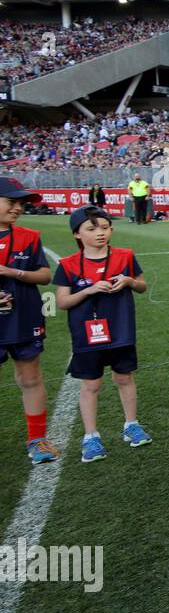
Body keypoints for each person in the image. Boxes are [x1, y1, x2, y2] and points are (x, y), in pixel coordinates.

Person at [52, 206, 153, 462]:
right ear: (77, 234)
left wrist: (129, 281)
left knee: (124, 377)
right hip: (87, 334)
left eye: (106, 227)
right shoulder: (68, 264)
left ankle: (131, 424)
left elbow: (142, 285)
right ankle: (91, 437)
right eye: (92, 228)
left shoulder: (125, 256)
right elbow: (62, 302)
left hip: (121, 330)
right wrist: (89, 290)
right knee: (91, 384)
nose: (101, 233)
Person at [0, 179, 57, 464]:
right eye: (11, 202)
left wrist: (13, 272)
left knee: (30, 377)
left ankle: (37, 439)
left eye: (21, 204)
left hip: (24, 317)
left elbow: (45, 276)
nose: (18, 208)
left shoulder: (29, 236)